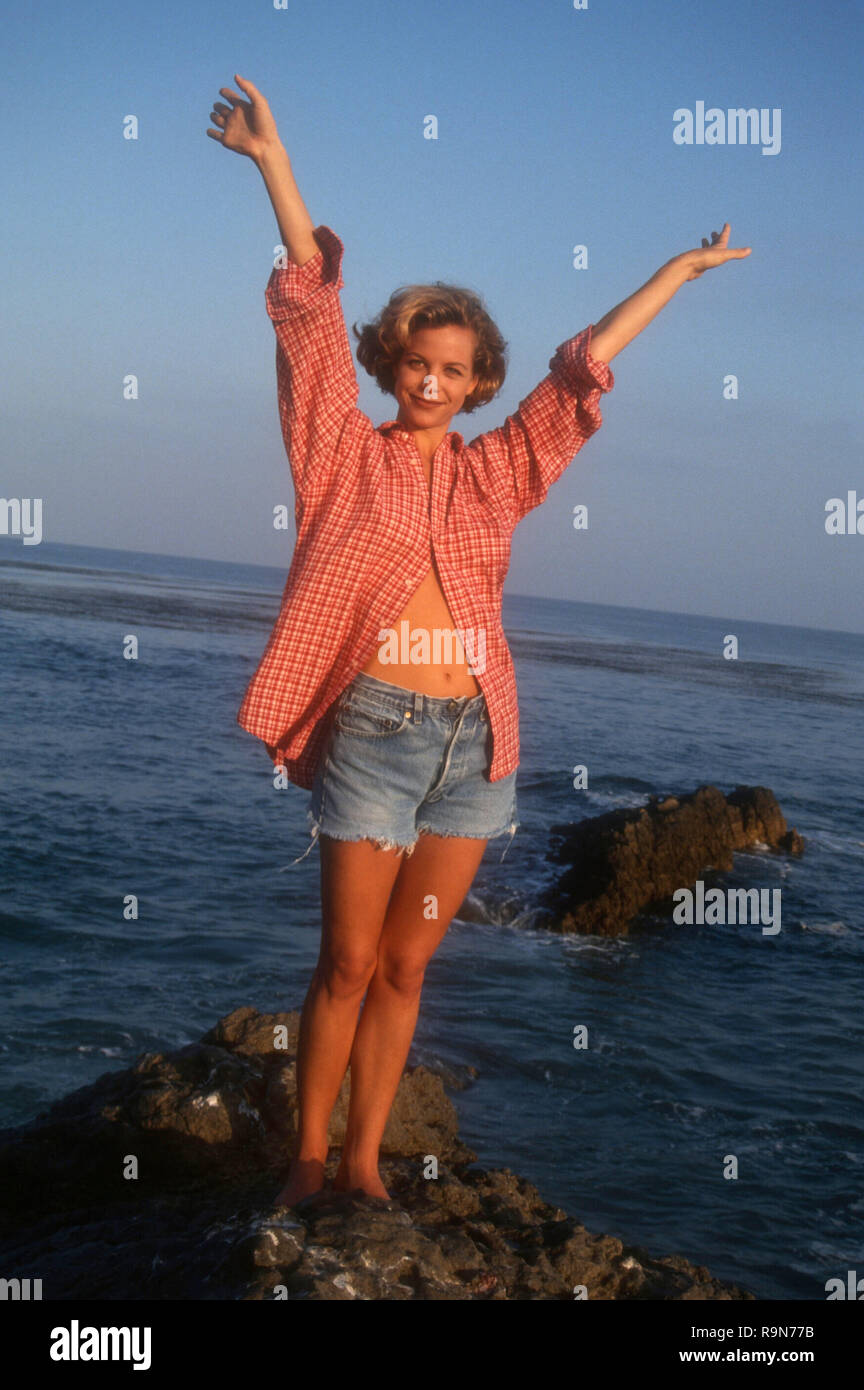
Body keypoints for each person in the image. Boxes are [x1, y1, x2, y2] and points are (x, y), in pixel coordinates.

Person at [206, 75, 751, 1207]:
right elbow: (307, 318)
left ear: (477, 381)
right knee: (349, 963)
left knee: (406, 968)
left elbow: (579, 374)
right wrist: (276, 166)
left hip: (475, 743)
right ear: (390, 361)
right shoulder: (339, 453)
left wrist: (677, 274)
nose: (432, 380)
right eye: (416, 360)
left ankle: (364, 1159)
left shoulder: (497, 473)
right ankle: (307, 1158)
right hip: (372, 726)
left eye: (455, 369)